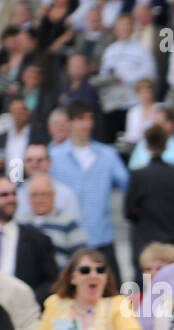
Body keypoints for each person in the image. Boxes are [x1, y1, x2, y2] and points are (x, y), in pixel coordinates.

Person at [48, 101, 128, 287]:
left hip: (101, 236)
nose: (85, 124)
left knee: (114, 293)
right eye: (79, 119)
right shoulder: (53, 155)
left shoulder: (108, 154)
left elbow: (128, 185)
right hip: (67, 238)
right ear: (69, 122)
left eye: (89, 119)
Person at [0, 174, 58, 306]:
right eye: (4, 195)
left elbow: (51, 281)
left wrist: (28, 300)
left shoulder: (38, 240)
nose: (11, 199)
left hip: (22, 313)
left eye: (14, 194)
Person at [124, 124, 174, 267]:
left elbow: (128, 212)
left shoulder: (139, 176)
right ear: (166, 146)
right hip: (172, 240)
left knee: (147, 287)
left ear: (146, 146)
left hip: (146, 242)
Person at [14, 171, 84, 269]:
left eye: (44, 194)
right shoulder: (19, 222)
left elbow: (81, 258)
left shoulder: (68, 223)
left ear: (53, 196)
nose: (39, 199)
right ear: (28, 198)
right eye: (34, 195)